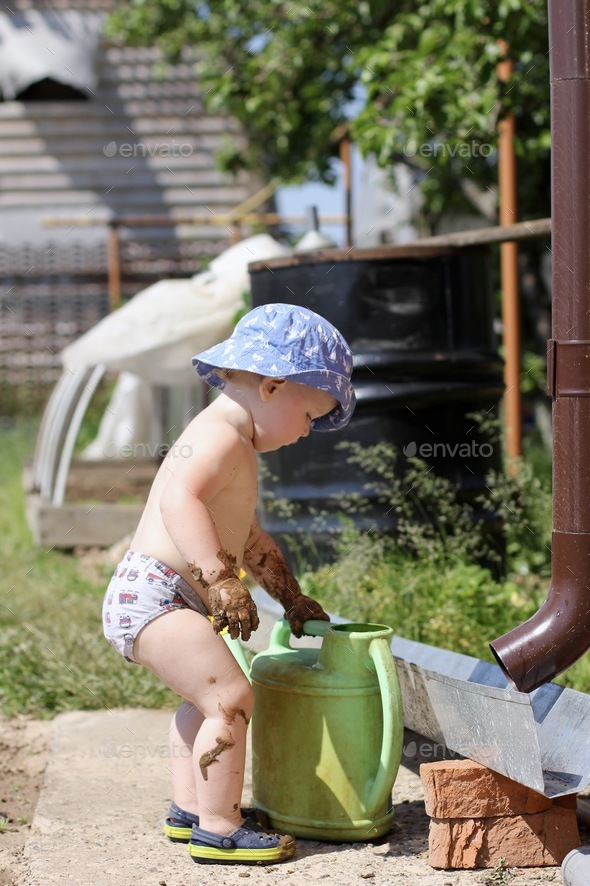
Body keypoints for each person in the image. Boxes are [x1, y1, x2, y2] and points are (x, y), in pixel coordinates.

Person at [102, 302, 356, 866]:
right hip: (155, 594)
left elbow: (251, 541)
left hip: (162, 594)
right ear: (271, 386)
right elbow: (177, 499)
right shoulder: (219, 436)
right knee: (231, 697)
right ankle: (220, 828)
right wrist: (219, 578)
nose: (308, 431)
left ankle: (191, 809)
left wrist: (290, 597)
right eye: (311, 414)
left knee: (206, 697)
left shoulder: (237, 444)